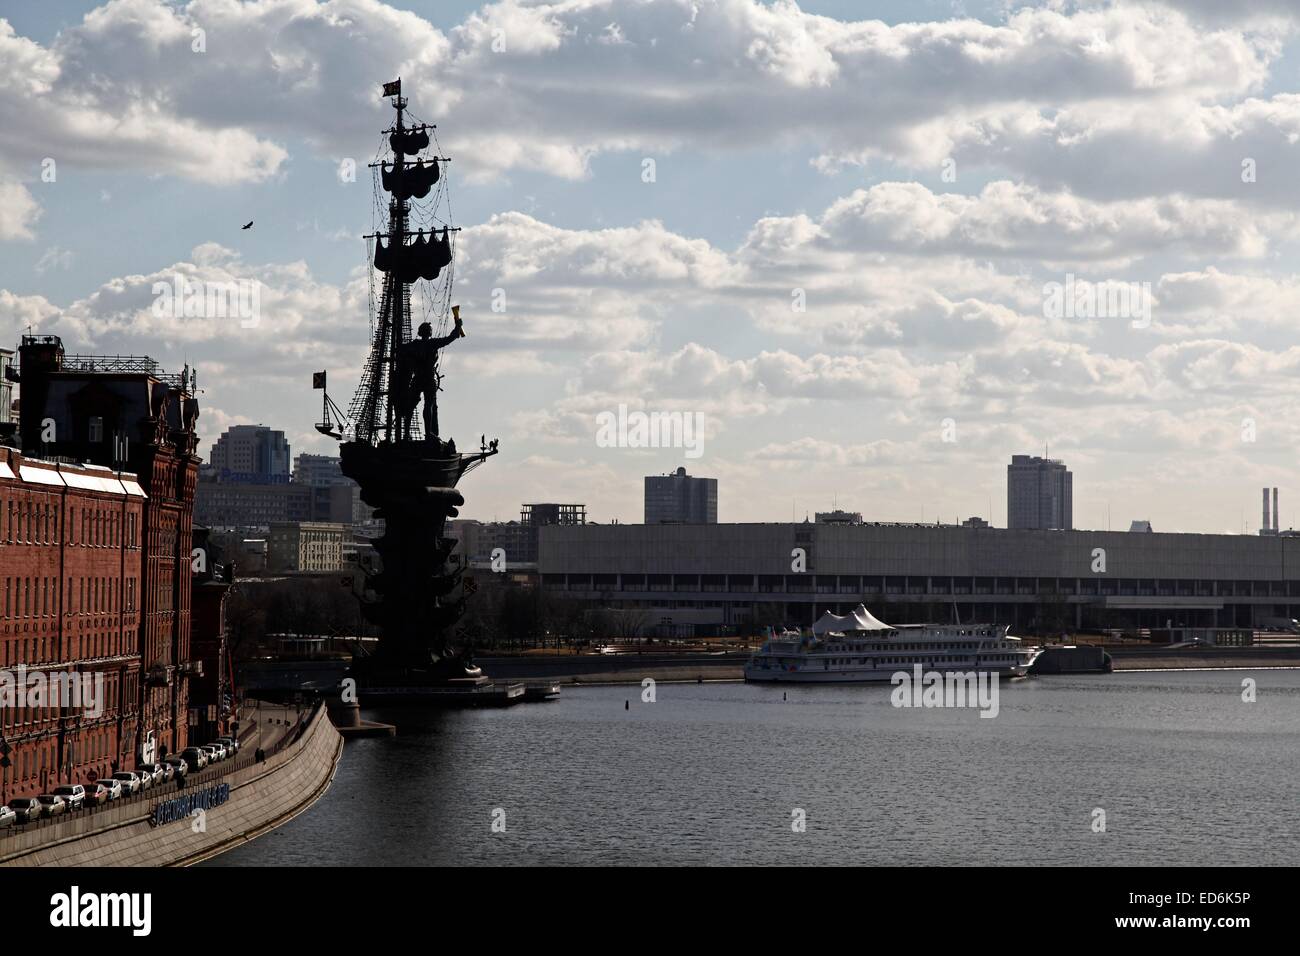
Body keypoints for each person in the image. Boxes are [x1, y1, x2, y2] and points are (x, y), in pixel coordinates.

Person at [397, 310, 465, 439]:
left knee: (411, 406)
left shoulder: (413, 345)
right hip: (428, 379)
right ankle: (428, 433)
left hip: (417, 379)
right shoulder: (432, 343)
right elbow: (449, 339)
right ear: (429, 332)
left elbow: (400, 349)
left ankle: (406, 433)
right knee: (429, 405)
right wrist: (458, 326)